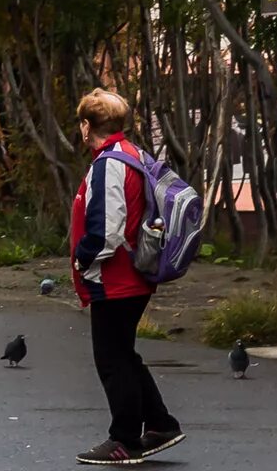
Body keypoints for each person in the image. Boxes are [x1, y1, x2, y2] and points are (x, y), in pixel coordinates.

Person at [69, 86, 180, 465]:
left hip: (116, 278)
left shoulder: (108, 164)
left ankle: (125, 440)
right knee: (124, 355)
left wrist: (83, 261)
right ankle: (161, 424)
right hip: (134, 274)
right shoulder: (133, 155)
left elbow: (107, 229)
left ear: (87, 126)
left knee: (112, 359)